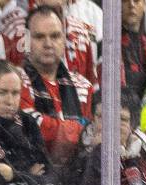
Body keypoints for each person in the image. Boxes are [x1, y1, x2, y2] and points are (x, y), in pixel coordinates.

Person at [17, 5, 95, 175]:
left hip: (75, 177)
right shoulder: (15, 80)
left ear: (63, 40)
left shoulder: (83, 86)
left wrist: (58, 128)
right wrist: (77, 128)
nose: (48, 44)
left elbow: (90, 139)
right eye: (39, 37)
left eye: (55, 36)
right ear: (27, 41)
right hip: (34, 177)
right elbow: (33, 128)